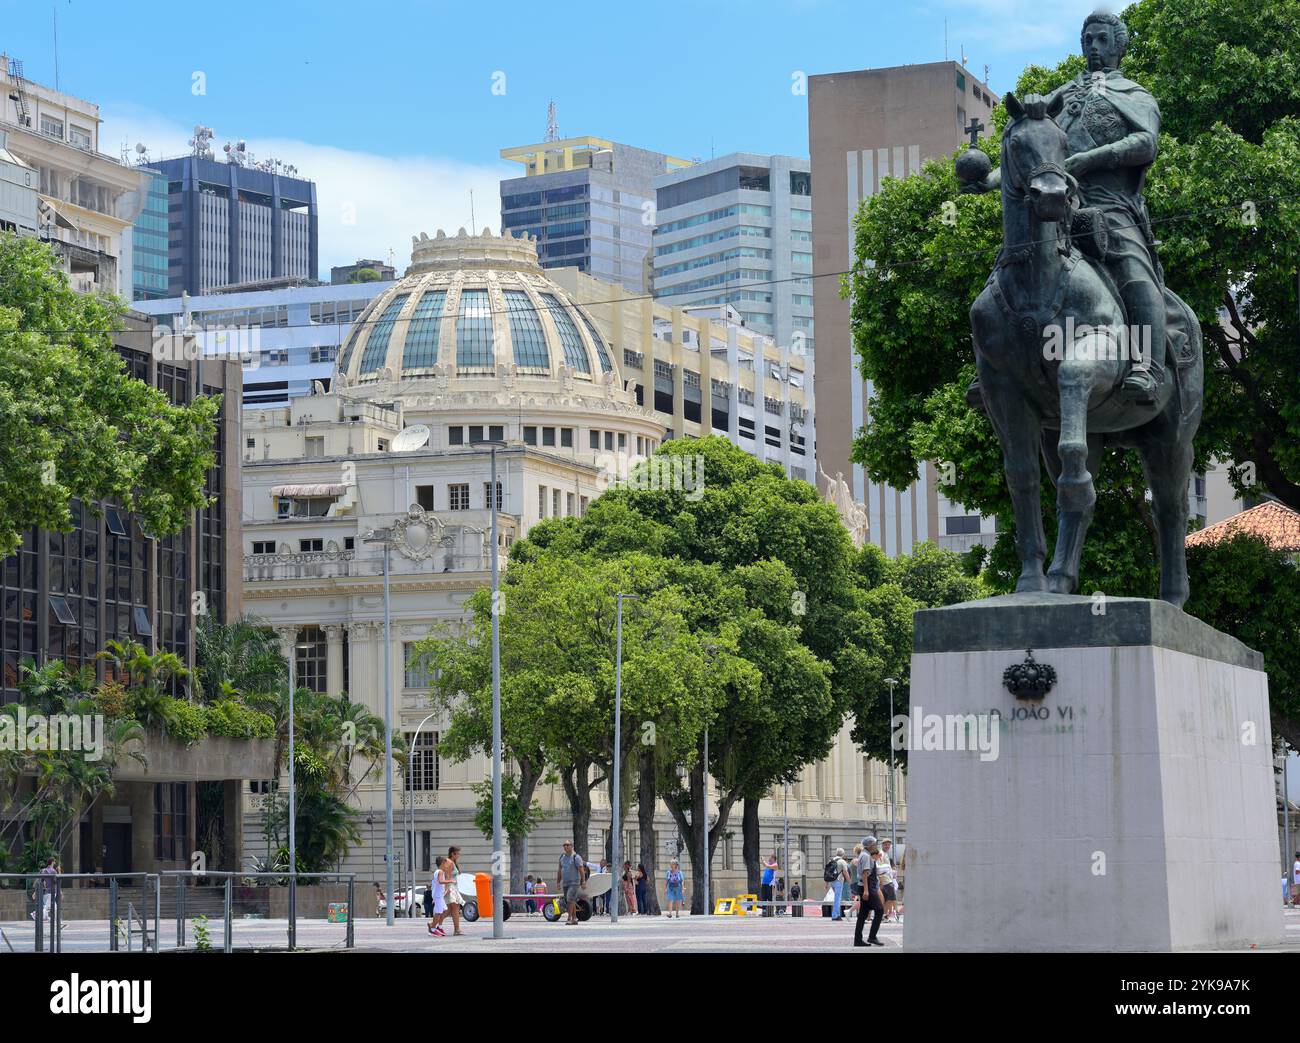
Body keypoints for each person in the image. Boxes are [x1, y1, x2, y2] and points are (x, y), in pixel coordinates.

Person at [854, 836, 885, 947]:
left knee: (862, 914)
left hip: (863, 886)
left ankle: (857, 940)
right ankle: (872, 937)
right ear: (870, 846)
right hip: (867, 887)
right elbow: (865, 873)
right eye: (875, 844)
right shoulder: (866, 856)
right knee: (880, 910)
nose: (876, 846)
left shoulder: (863, 854)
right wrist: (866, 891)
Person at [557, 840, 585, 925]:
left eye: (567, 845)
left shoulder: (576, 857)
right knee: (570, 900)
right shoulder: (562, 857)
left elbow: (581, 870)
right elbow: (559, 870)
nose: (565, 847)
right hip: (565, 883)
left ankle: (569, 918)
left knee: (570, 899)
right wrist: (558, 882)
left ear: (571, 846)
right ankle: (574, 918)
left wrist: (583, 881)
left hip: (574, 883)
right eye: (564, 845)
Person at [30, 857, 57, 928]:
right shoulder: (53, 871)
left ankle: (51, 919)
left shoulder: (43, 871)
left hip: (45, 893)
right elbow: (56, 882)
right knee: (47, 908)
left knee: (54, 907)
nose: (55, 863)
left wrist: (35, 893)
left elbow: (39, 882)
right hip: (51, 892)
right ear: (52, 862)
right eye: (54, 862)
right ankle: (35, 914)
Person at [444, 846, 465, 935]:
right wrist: (447, 889)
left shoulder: (453, 862)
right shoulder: (449, 862)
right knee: (454, 909)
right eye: (458, 853)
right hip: (451, 887)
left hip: (454, 887)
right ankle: (456, 929)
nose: (459, 855)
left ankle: (434, 924)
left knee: (450, 910)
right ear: (453, 853)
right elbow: (447, 876)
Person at [427, 856, 449, 937]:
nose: (446, 866)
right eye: (446, 864)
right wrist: (450, 881)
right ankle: (432, 929)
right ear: (442, 863)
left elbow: (435, 884)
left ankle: (436, 926)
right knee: (438, 912)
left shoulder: (438, 871)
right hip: (438, 896)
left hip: (438, 895)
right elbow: (440, 881)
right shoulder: (440, 872)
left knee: (445, 910)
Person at [877, 845, 898, 923]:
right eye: (885, 844)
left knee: (887, 898)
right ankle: (895, 912)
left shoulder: (885, 854)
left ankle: (885, 915)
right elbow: (879, 869)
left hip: (888, 879)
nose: (887, 846)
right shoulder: (881, 854)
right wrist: (881, 881)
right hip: (885, 880)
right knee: (892, 897)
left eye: (888, 844)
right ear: (882, 845)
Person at [828, 847, 850, 921]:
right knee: (837, 899)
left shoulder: (831, 860)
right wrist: (850, 882)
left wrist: (826, 884)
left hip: (831, 881)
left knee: (836, 898)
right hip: (838, 881)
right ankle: (835, 915)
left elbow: (827, 872)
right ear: (843, 854)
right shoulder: (842, 861)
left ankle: (836, 914)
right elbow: (845, 873)